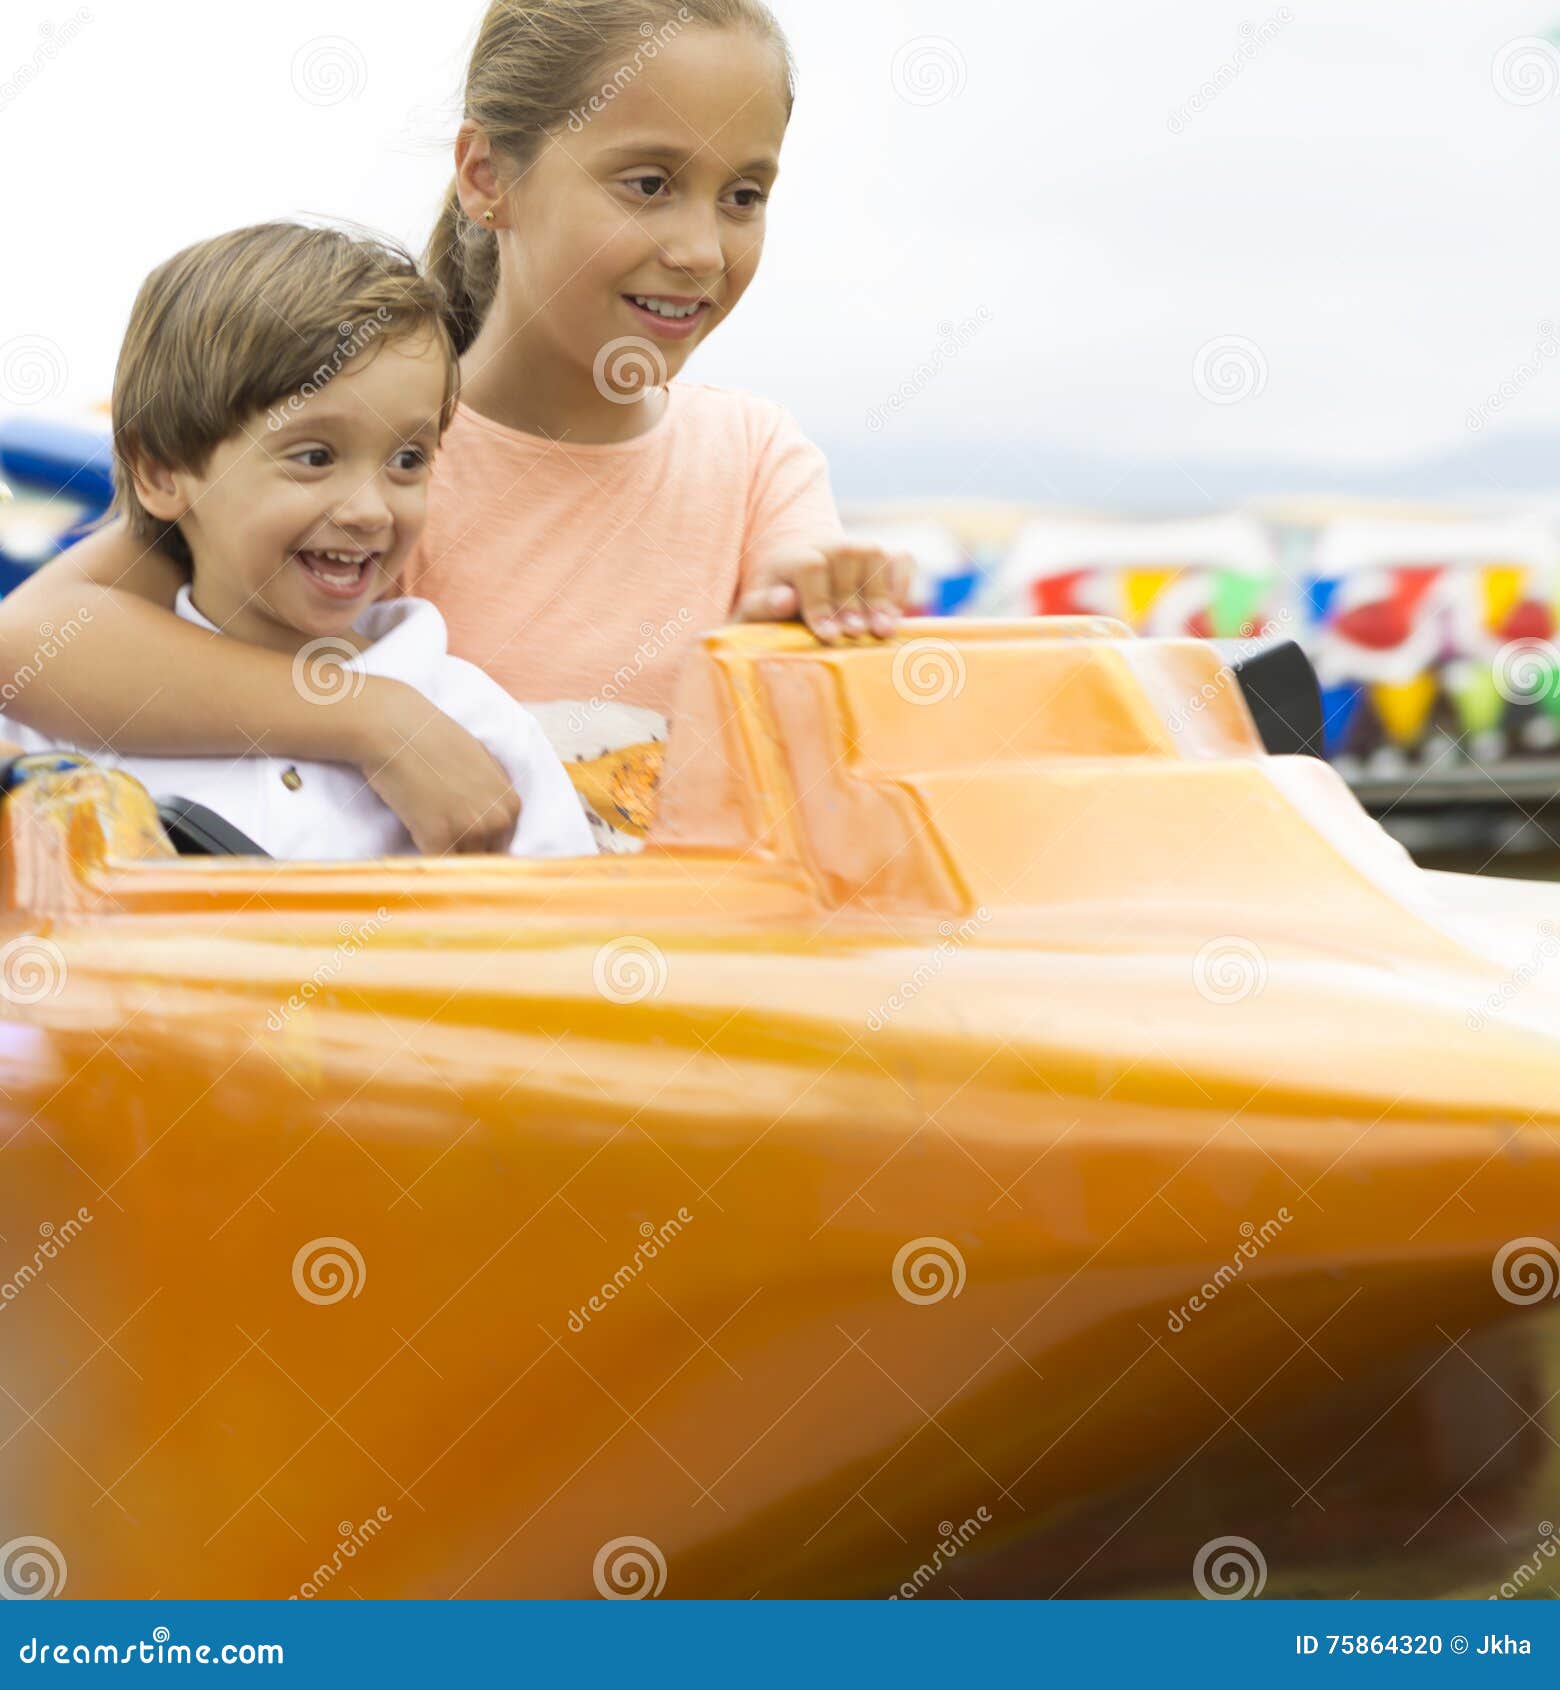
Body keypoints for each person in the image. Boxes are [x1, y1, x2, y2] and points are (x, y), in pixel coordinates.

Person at [0, 0, 912, 854]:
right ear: (487, 177)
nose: (702, 249)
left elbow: (810, 678)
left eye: (743, 195)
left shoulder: (755, 460)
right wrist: (376, 720)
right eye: (648, 183)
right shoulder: (367, 461)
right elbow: (29, 647)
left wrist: (816, 604)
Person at [0, 223, 594, 862]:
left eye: (407, 459)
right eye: (314, 457)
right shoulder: (52, 729)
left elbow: (569, 916)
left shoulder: (478, 725)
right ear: (163, 474)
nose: (369, 510)